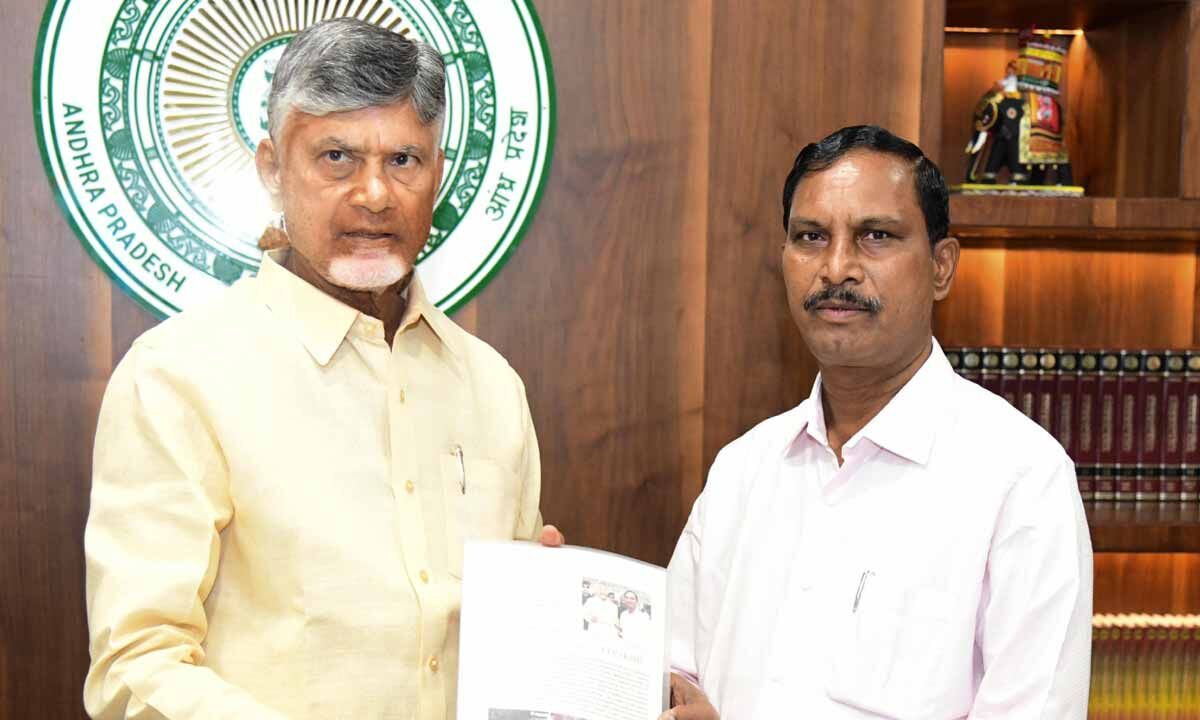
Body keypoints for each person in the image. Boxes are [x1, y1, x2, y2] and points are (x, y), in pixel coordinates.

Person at [83, 18, 562, 719]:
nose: (374, 194)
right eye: (337, 157)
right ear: (273, 168)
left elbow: (510, 667)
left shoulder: (491, 385)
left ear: (438, 173)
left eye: (404, 160)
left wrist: (553, 625)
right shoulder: (179, 376)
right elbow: (137, 668)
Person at [662, 125, 1092, 720]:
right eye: (810, 236)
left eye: (875, 237)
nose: (837, 268)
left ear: (942, 267)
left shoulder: (1020, 479)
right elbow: (672, 676)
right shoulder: (744, 468)